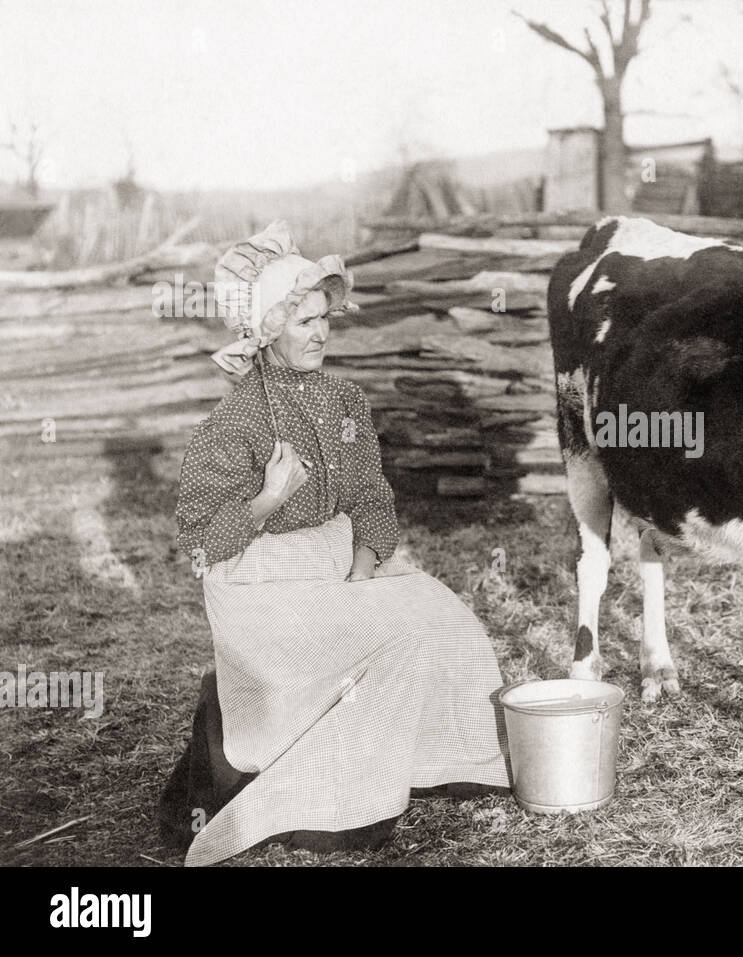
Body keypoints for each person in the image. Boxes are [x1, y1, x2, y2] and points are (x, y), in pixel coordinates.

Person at [158, 221, 509, 866]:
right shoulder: (230, 424)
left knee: (446, 615)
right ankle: (332, 802)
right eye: (302, 322)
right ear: (267, 329)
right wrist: (267, 498)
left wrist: (362, 568)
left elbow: (373, 502)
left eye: (325, 318)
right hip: (260, 587)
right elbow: (203, 546)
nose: (319, 332)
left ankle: (436, 763)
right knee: (402, 631)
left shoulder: (345, 401)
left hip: (337, 564)